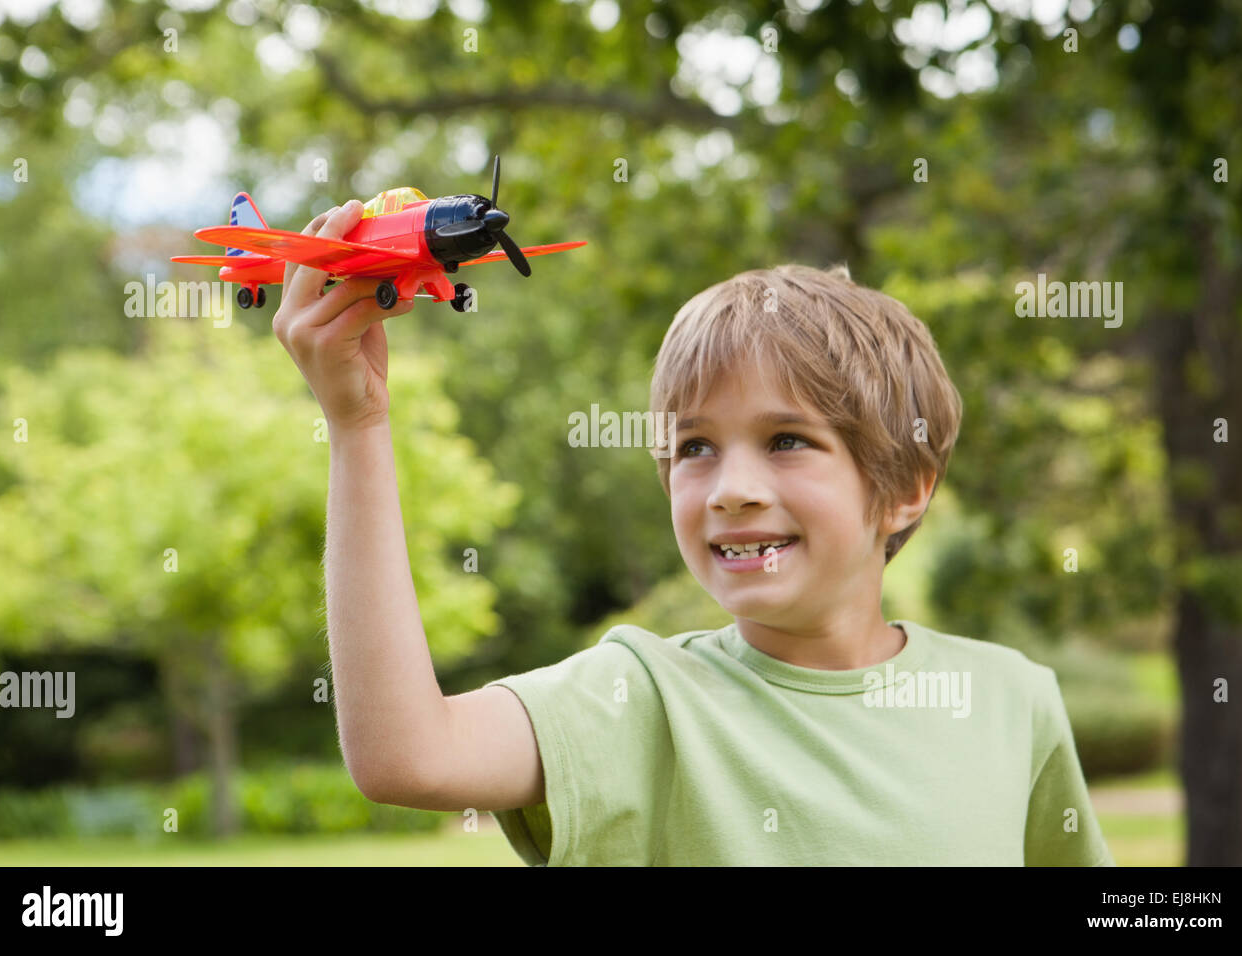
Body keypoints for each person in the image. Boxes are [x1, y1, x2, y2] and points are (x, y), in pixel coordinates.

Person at [273, 199, 1114, 866]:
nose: (732, 491)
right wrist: (358, 427)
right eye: (695, 448)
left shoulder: (1014, 698)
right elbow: (405, 755)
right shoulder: (638, 700)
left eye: (788, 441)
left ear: (906, 489)